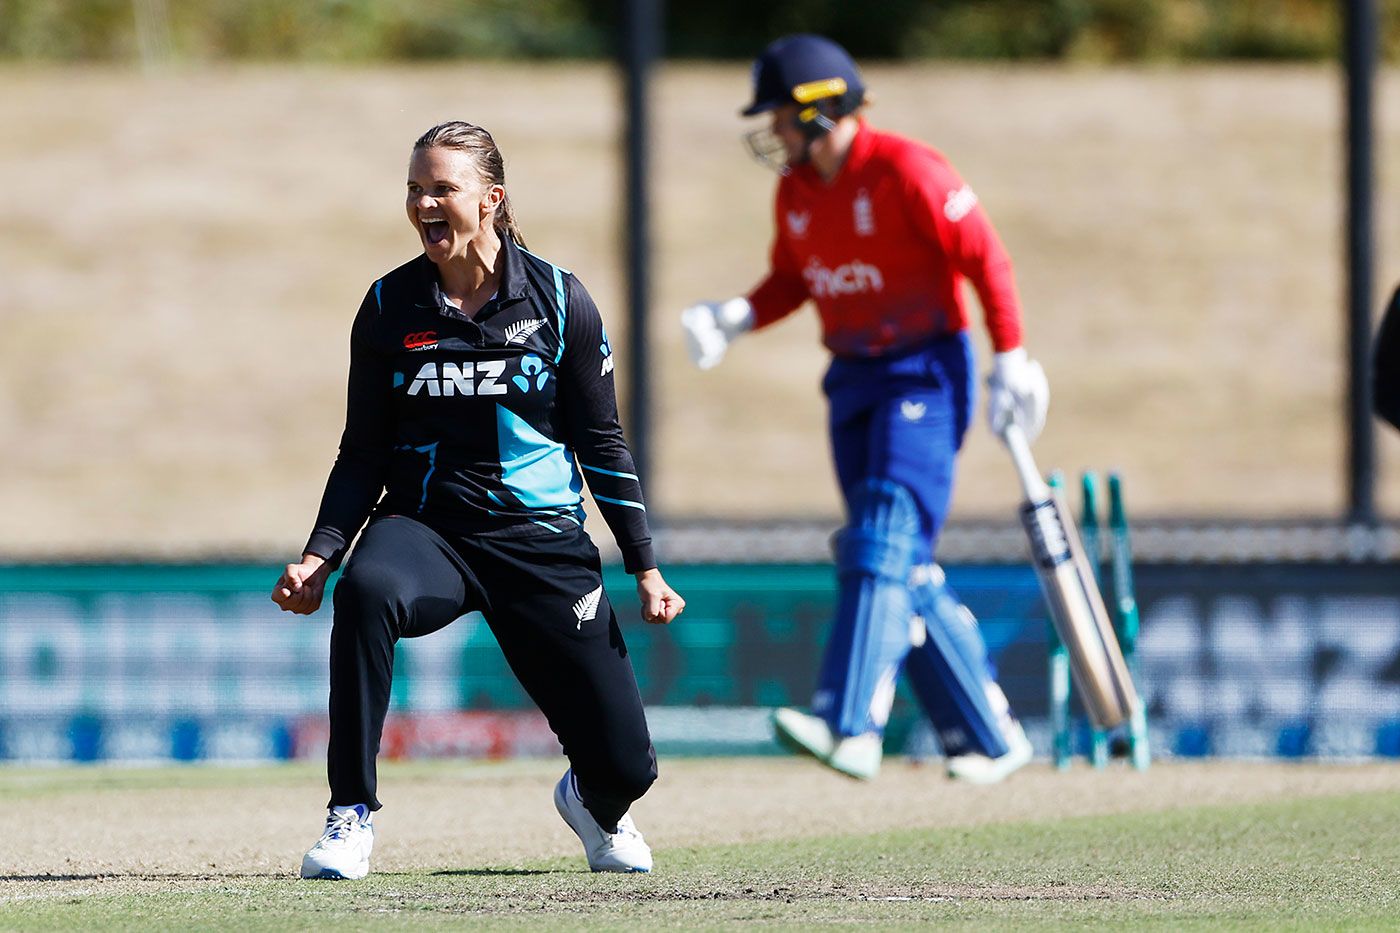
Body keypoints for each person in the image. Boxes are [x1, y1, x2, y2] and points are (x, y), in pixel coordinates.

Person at [272, 121, 684, 880]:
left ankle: (595, 803)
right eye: (414, 189)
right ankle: (350, 812)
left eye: (442, 189)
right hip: (427, 530)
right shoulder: (389, 306)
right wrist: (320, 555)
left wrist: (645, 565)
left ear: (491, 199)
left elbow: (603, 443)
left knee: (630, 766)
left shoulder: (559, 299)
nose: (424, 204)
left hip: (540, 538)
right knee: (368, 591)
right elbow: (363, 450)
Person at [681, 35, 1045, 782]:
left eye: (780, 116)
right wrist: (737, 317)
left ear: (819, 109)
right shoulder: (797, 191)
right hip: (852, 377)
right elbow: (795, 278)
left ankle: (849, 723)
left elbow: (986, 257)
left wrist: (1010, 355)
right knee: (899, 560)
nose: (774, 133)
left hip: (924, 372)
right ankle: (990, 737)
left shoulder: (909, 170)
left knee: (883, 530)